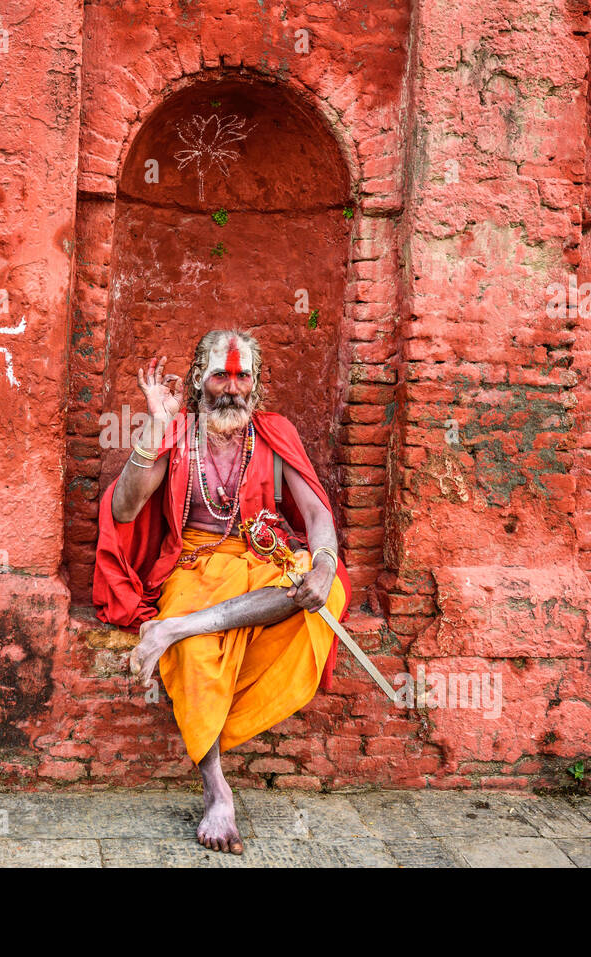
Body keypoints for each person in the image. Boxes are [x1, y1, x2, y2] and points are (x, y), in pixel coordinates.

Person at [93, 328, 350, 854]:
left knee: (322, 597)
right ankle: (217, 791)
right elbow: (123, 511)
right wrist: (155, 431)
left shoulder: (275, 431)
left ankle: (177, 626)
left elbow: (320, 514)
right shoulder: (179, 431)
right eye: (219, 375)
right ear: (197, 381)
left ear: (255, 384)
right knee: (192, 656)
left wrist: (323, 565)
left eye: (242, 376)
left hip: (265, 557)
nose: (231, 388)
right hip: (196, 562)